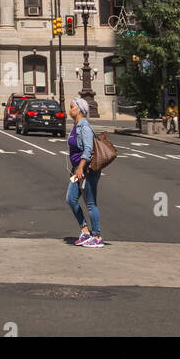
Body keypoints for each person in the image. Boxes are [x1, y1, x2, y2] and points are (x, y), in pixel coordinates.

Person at [66, 97, 103, 248]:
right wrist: (75, 169)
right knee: (71, 198)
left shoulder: (85, 127)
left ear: (79, 110)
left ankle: (97, 236)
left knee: (90, 203)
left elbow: (88, 150)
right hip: (78, 171)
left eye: (72, 107)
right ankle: (85, 230)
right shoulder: (76, 126)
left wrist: (81, 167)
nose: (70, 109)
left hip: (87, 171)